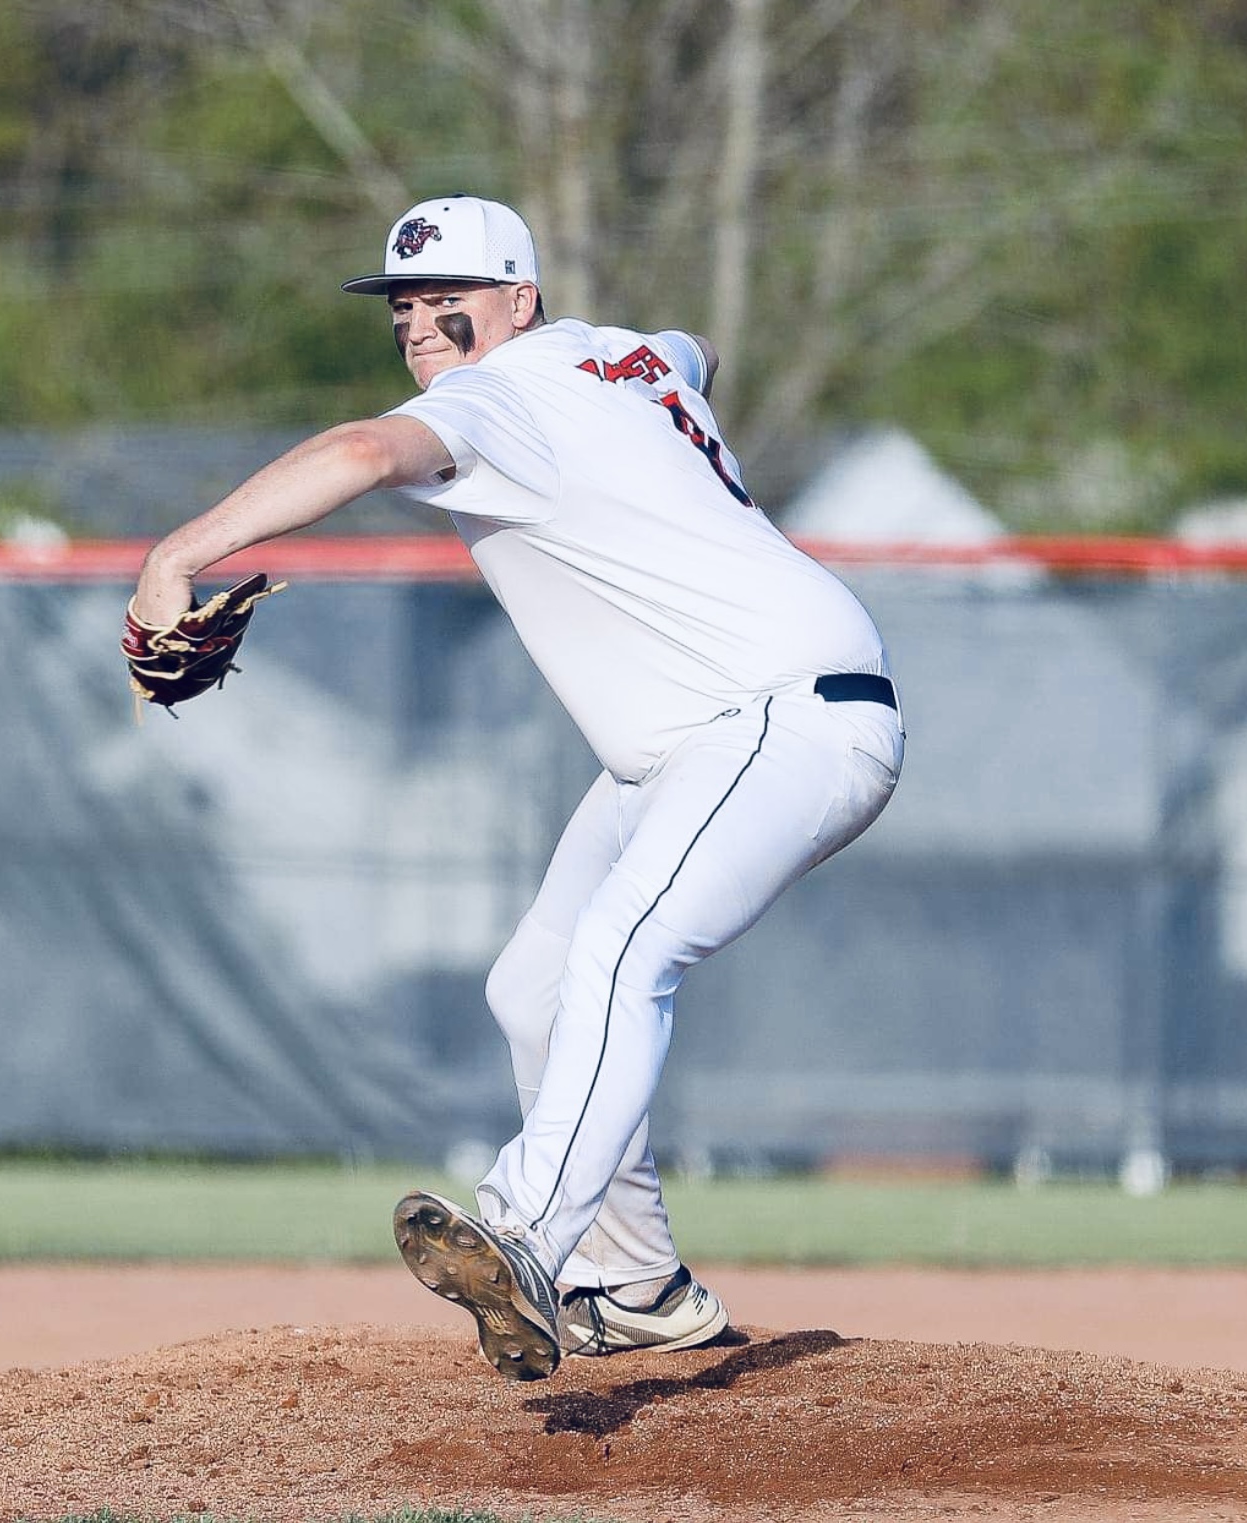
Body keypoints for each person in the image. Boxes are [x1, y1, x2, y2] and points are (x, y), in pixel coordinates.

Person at [130, 193, 905, 1383]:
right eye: (401, 304)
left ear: (517, 299)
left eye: (447, 298)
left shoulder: (496, 396)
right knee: (533, 988)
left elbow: (360, 454)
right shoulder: (622, 355)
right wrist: (660, 386)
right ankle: (637, 1287)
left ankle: (529, 1235)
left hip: (779, 714)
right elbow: (696, 348)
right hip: (688, 743)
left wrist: (176, 553)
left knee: (622, 948)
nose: (418, 323)